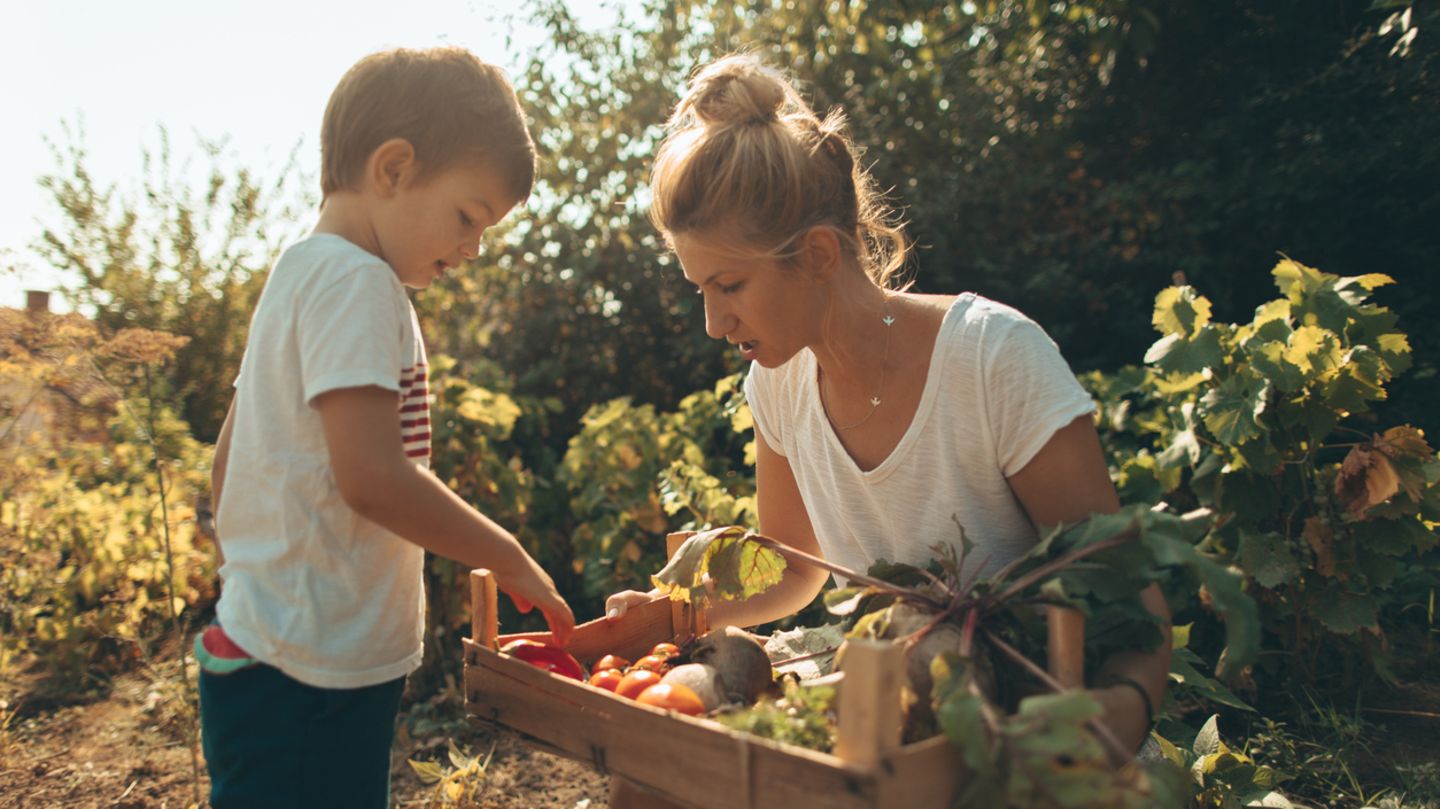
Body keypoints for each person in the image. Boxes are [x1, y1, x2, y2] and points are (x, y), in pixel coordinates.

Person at [605, 54, 1171, 807]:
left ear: (818, 255)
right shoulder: (776, 384)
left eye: (728, 285)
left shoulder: (993, 359)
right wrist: (679, 611)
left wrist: (1113, 722)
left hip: (1031, 733)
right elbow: (796, 571)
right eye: (700, 290)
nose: (713, 322)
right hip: (891, 717)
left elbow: (1131, 598)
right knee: (645, 782)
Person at [201, 47, 575, 809]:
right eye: (468, 216)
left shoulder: (298, 271)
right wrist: (504, 553)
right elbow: (372, 475)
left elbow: (227, 461)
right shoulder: (359, 283)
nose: (473, 248)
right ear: (394, 169)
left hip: (267, 648)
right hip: (311, 673)